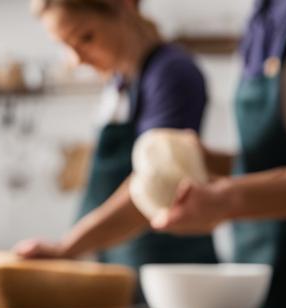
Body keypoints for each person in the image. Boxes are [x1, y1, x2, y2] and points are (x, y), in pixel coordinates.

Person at [30, 0, 286, 308]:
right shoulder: (264, 16)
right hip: (265, 286)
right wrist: (207, 164)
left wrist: (228, 199)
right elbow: (269, 161)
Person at [14, 0, 218, 268]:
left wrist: (67, 247)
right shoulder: (120, 84)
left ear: (125, 6)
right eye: (65, 46)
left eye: (85, 38)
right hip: (121, 258)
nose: (77, 60)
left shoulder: (171, 73)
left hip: (167, 263)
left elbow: (159, 178)